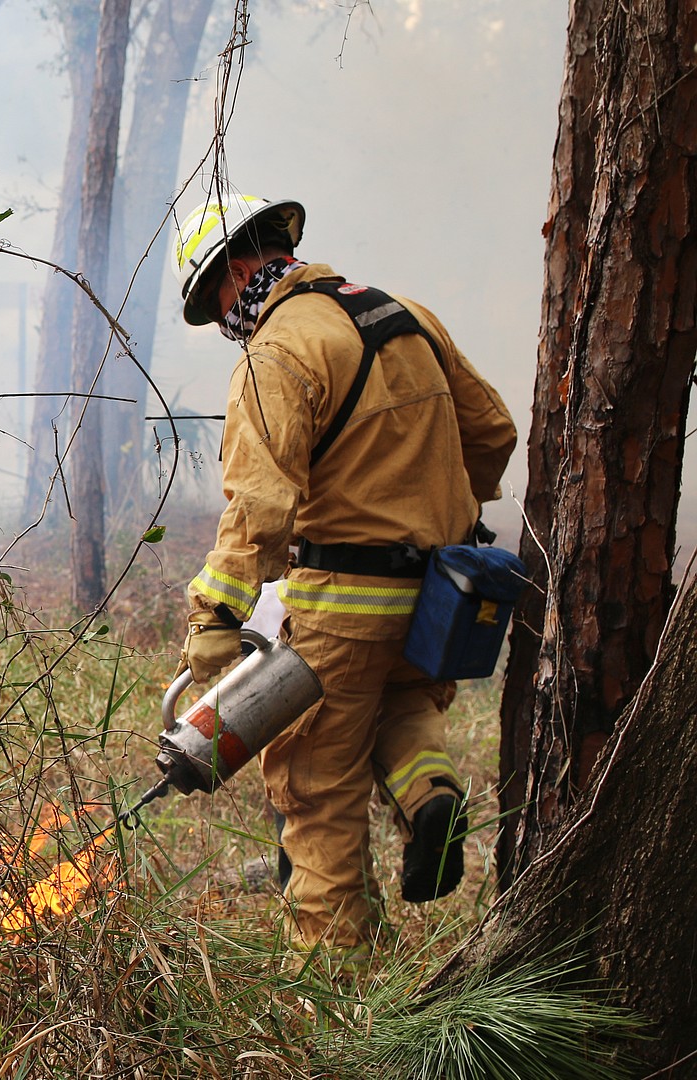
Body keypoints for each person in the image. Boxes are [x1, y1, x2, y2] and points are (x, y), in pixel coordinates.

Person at [170, 193, 518, 966]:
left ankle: (332, 992)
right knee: (401, 705)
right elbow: (492, 430)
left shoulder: (280, 351)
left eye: (214, 300)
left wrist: (215, 616)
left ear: (238, 270)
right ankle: (431, 799)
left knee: (317, 796)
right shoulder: (405, 316)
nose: (224, 319)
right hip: (438, 599)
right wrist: (436, 504)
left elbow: (258, 500)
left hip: (343, 608)